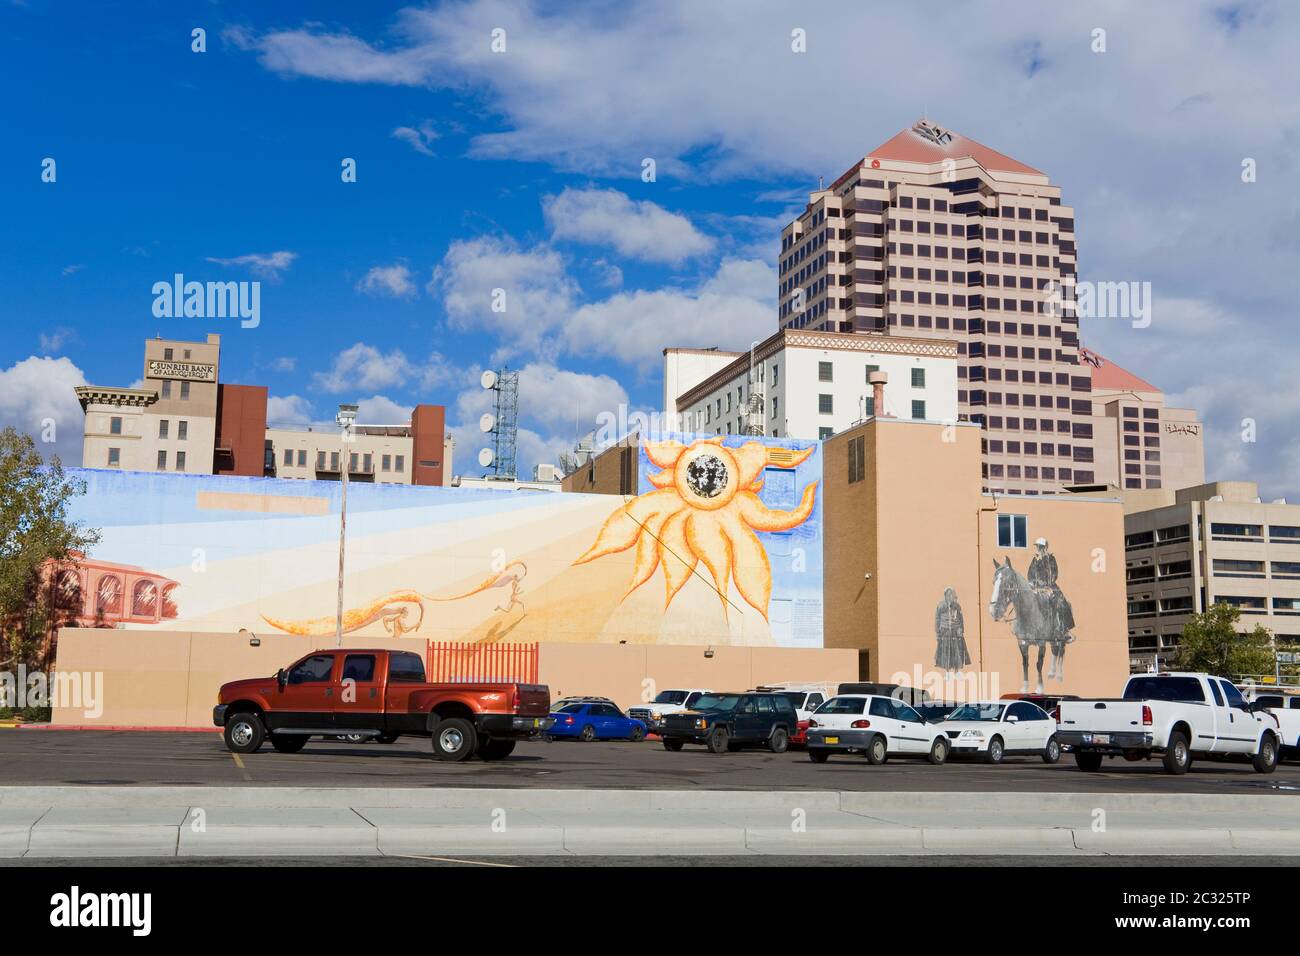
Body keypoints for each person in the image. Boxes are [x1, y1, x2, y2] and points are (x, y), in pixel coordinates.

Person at [1027, 538, 1075, 640]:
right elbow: (1030, 574)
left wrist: (1048, 588)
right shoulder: (1035, 560)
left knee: (1063, 603)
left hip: (1050, 586)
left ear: (1045, 548)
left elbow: (1054, 574)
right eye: (1037, 547)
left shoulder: (1051, 559)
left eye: (1040, 547)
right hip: (1036, 587)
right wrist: (1033, 586)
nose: (1038, 549)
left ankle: (1064, 630)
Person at [934, 587, 970, 672]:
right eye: (948, 594)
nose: (950, 596)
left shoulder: (957, 606)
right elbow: (937, 619)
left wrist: (961, 629)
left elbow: (961, 619)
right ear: (945, 596)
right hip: (945, 631)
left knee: (956, 652)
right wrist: (937, 631)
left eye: (951, 594)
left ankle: (956, 670)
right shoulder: (941, 605)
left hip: (955, 631)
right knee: (945, 652)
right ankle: (947, 671)